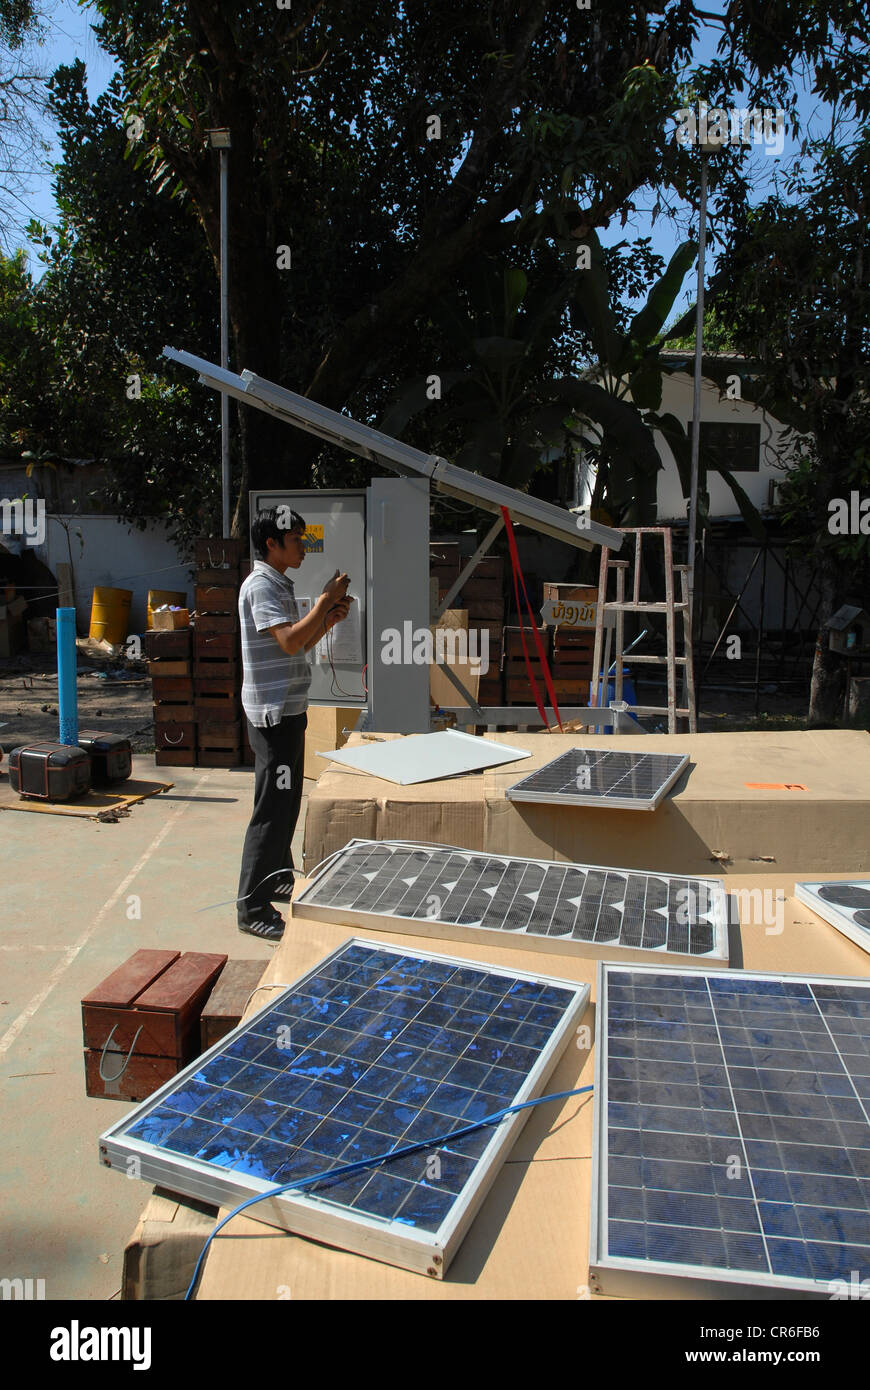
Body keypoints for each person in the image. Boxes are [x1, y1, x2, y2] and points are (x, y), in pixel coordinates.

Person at [236, 507, 352, 940]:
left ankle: (278, 878)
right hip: (273, 714)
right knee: (271, 810)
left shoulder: (278, 583)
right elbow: (288, 641)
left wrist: (328, 620)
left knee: (286, 801)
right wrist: (323, 601)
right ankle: (251, 907)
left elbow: (298, 643)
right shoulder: (262, 585)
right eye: (297, 539)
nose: (304, 546)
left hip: (288, 709)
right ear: (272, 543)